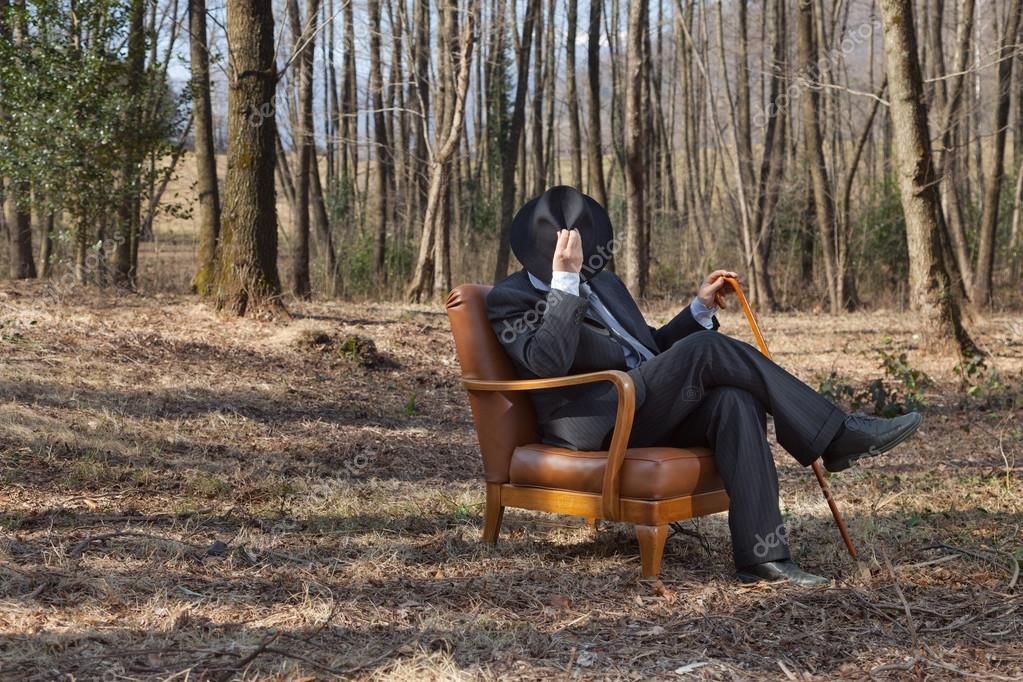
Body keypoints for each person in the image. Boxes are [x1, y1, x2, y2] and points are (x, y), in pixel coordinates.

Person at [486, 186, 922, 586]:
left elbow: (649, 349)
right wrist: (564, 282)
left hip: (644, 404)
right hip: (595, 419)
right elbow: (547, 362)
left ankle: (763, 558)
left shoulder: (606, 283)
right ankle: (839, 435)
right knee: (707, 349)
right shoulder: (511, 300)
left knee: (733, 398)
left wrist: (697, 308)